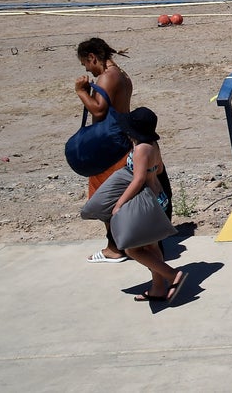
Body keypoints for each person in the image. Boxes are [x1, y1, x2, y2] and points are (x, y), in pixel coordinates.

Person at [95, 107, 187, 303]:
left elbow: (138, 180)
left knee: (132, 248)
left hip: (148, 202)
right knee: (152, 247)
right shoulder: (153, 145)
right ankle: (158, 288)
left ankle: (172, 275)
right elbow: (158, 169)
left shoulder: (140, 150)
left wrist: (119, 204)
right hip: (159, 198)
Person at [76, 37, 134, 263]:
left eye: (85, 64)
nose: (87, 70)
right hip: (122, 138)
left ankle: (114, 248)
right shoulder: (121, 74)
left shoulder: (107, 76)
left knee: (105, 197)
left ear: (92, 57)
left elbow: (99, 110)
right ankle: (127, 243)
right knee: (120, 194)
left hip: (109, 144)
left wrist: (81, 92)